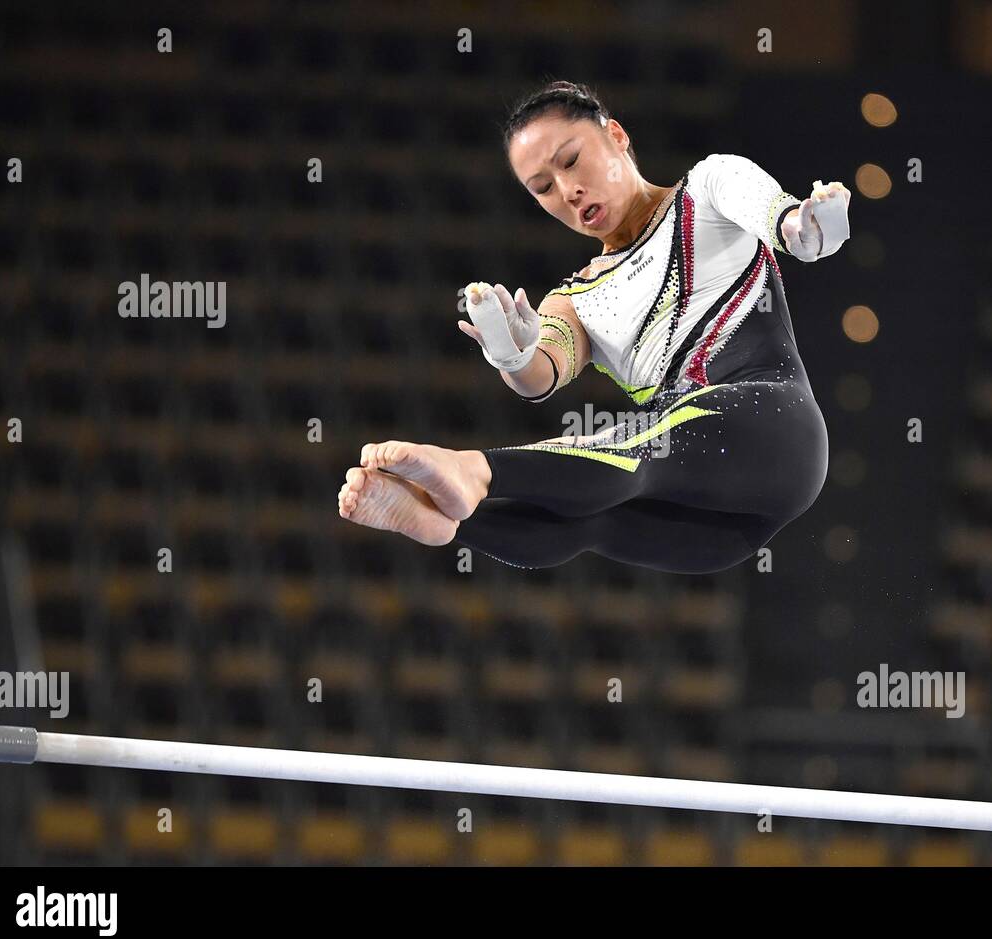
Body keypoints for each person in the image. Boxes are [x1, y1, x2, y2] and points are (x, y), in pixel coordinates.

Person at [337, 80, 851, 573]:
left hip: (773, 428)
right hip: (715, 523)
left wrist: (807, 230)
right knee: (585, 525)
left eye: (571, 161)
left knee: (632, 445)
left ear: (616, 136)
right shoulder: (576, 298)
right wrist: (513, 356)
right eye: (543, 187)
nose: (569, 191)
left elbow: (782, 220)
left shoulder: (708, 189)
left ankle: (477, 470)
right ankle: (448, 526)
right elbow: (541, 374)